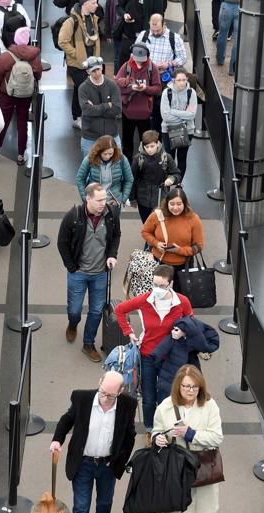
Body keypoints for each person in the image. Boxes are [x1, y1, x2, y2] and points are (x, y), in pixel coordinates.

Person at [50, 371, 138, 513]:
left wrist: (120, 461)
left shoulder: (128, 405)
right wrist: (57, 440)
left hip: (108, 465)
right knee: (81, 508)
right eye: (103, 392)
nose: (105, 397)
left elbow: (130, 435)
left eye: (110, 395)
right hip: (83, 464)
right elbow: (66, 420)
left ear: (120, 392)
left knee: (105, 501)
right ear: (99, 383)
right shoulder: (82, 398)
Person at [151, 366, 223, 513]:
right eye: (186, 386)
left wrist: (190, 434)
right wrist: (157, 438)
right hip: (174, 467)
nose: (190, 390)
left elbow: (217, 437)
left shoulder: (210, 406)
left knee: (195, 503)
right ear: (178, 386)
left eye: (194, 386)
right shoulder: (165, 407)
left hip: (198, 466)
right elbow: (156, 429)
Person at [116, 265, 193, 428]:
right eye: (154, 284)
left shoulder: (182, 302)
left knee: (167, 396)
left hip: (171, 357)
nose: (156, 289)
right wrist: (128, 332)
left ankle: (165, 427)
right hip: (148, 355)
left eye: (161, 286)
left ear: (171, 284)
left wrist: (183, 332)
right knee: (149, 398)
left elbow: (191, 323)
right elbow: (120, 310)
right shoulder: (146, 299)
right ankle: (150, 428)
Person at [58, 183, 122, 363]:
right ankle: (72, 324)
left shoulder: (111, 215)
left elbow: (116, 235)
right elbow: (62, 243)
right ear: (88, 199)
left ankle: (88, 343)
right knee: (75, 310)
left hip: (100, 273)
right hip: (78, 273)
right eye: (99, 200)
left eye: (105, 199)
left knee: (96, 311)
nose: (104, 203)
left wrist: (112, 255)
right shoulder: (74, 216)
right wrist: (71, 267)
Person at [0, 26, 42, 164]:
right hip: (25, 95)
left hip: (7, 94)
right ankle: (21, 154)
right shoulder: (34, 56)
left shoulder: (7, 56)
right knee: (22, 123)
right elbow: (38, 74)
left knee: (2, 122)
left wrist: (3, 84)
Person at [59, 0, 103, 129]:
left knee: (80, 89)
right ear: (85, 4)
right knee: (85, 88)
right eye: (94, 3)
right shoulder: (71, 21)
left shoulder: (93, 18)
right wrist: (76, 54)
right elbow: (62, 41)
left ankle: (80, 117)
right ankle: (79, 117)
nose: (97, 5)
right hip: (77, 64)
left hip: (91, 61)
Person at [141, 186, 205, 273]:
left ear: (184, 204)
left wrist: (179, 250)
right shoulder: (157, 215)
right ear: (167, 203)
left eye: (179, 204)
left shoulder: (193, 219)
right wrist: (156, 243)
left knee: (181, 287)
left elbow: (198, 246)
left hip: (184, 267)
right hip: (159, 263)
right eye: (172, 204)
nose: (175, 208)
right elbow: (145, 232)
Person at [115, 43, 162, 159]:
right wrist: (131, 87)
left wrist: (146, 89)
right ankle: (128, 168)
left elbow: (157, 88)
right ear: (132, 55)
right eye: (137, 59)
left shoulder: (152, 68)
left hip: (145, 114)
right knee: (127, 144)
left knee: (146, 143)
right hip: (128, 112)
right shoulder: (126, 67)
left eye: (142, 59)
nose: (139, 62)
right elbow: (116, 85)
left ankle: (145, 167)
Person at [131, 131, 180, 223]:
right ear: (143, 145)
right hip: (143, 200)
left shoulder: (166, 158)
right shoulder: (138, 159)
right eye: (147, 147)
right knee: (146, 224)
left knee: (160, 224)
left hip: (161, 199)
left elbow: (176, 174)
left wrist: (172, 179)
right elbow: (132, 180)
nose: (149, 149)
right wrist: (132, 198)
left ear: (158, 144)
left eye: (152, 146)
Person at [78, 57, 123, 157]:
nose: (97, 73)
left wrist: (95, 109)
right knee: (89, 167)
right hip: (90, 137)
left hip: (111, 134)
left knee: (117, 164)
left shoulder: (112, 85)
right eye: (93, 71)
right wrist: (107, 105)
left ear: (102, 68)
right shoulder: (83, 88)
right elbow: (87, 111)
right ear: (88, 72)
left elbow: (117, 109)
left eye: (98, 69)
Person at [159, 69, 198, 178]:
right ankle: (169, 181)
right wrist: (183, 116)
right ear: (173, 80)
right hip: (167, 129)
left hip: (187, 130)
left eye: (184, 80)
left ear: (187, 79)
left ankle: (178, 184)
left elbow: (192, 115)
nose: (182, 82)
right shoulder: (167, 93)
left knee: (182, 157)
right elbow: (165, 116)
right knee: (169, 158)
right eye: (179, 80)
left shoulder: (191, 93)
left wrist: (173, 111)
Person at [76, 136, 134, 209]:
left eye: (110, 153)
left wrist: (121, 199)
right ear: (98, 151)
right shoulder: (90, 158)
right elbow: (80, 178)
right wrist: (86, 199)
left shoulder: (122, 159)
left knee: (113, 220)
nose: (107, 156)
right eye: (105, 154)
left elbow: (129, 179)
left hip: (113, 203)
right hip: (94, 201)